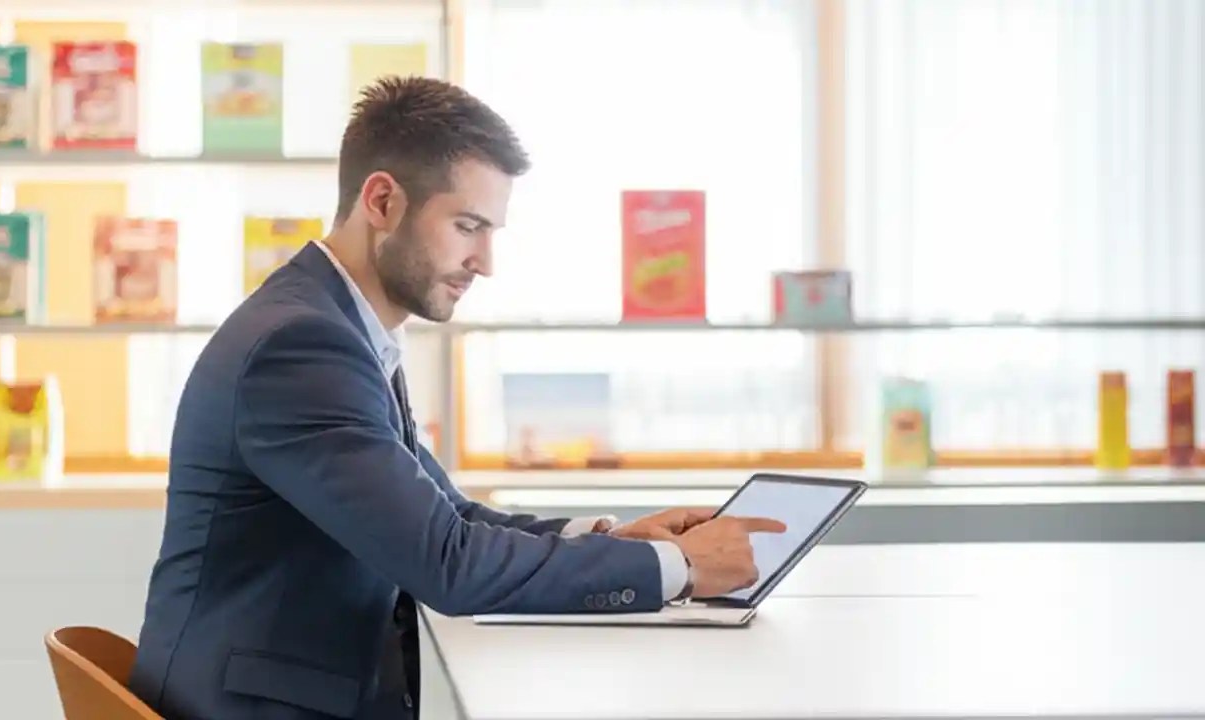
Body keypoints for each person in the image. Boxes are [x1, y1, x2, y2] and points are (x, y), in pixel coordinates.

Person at [128, 76, 787, 720]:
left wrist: (612, 539)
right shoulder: (303, 346)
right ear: (382, 202)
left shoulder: (340, 329)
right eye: (468, 226)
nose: (485, 262)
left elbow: (451, 518)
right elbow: (449, 564)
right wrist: (675, 567)